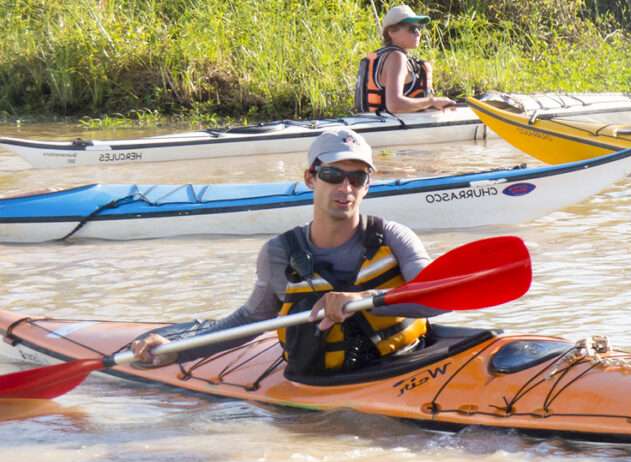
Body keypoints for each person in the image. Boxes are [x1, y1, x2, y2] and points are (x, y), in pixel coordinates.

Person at [131, 129, 442, 378]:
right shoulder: (279, 252)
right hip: (322, 380)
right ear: (310, 178)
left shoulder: (395, 237)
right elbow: (251, 318)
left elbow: (436, 299)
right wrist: (178, 349)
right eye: (333, 175)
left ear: (367, 185)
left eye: (357, 178)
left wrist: (364, 299)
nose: (345, 188)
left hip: (407, 364)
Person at [355, 5, 457, 115]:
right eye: (412, 29)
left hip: (374, 121)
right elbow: (394, 105)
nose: (418, 33)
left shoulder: (382, 56)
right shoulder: (397, 57)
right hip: (391, 124)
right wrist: (432, 101)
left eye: (419, 28)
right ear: (392, 32)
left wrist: (433, 104)